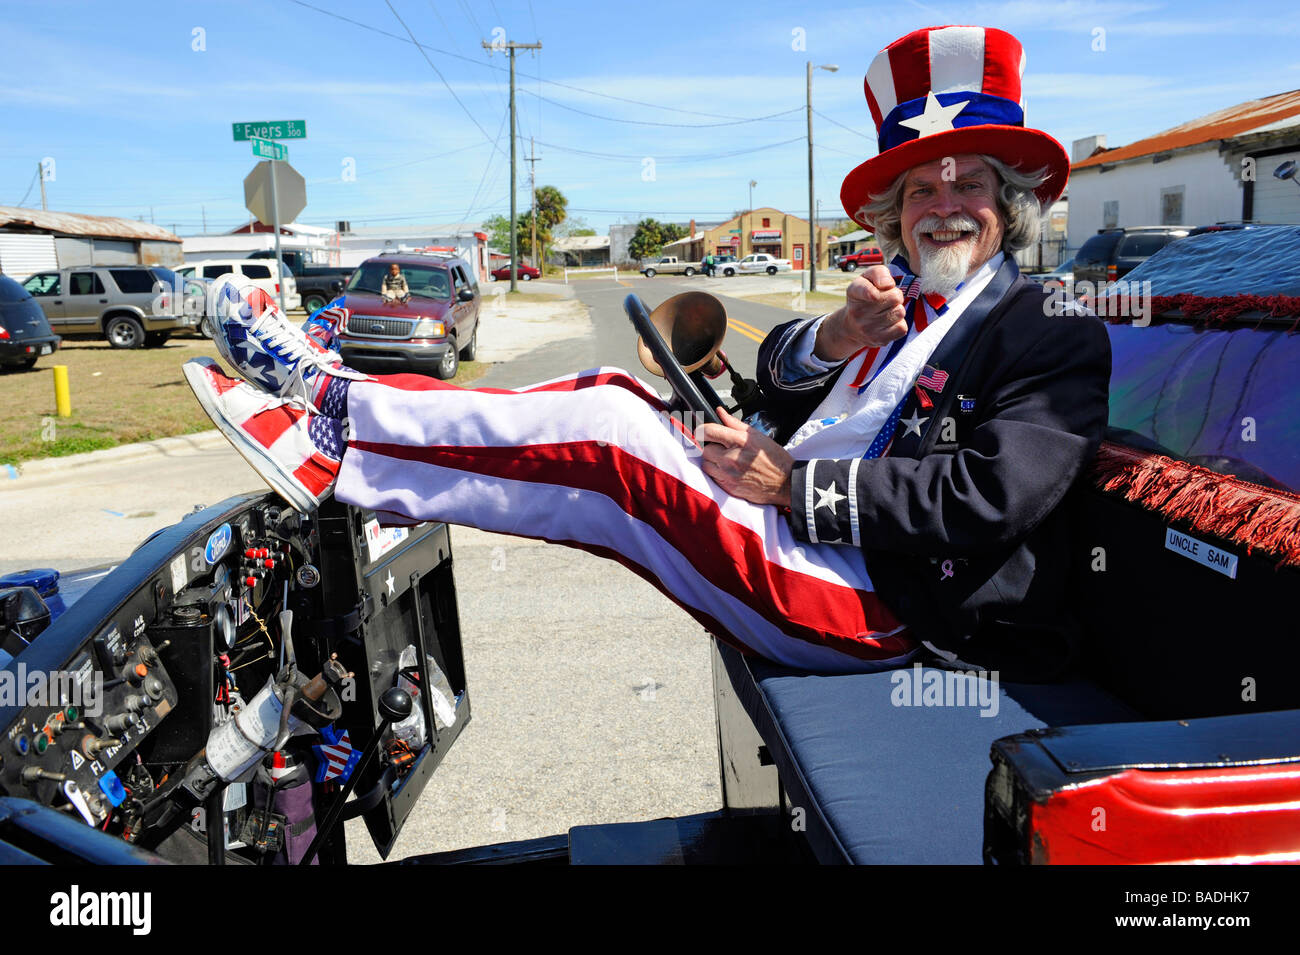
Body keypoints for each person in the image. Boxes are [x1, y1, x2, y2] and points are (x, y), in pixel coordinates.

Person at [185, 25, 1106, 680]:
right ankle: (342, 415)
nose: (942, 206)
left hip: (884, 606)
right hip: (803, 546)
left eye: (970, 183)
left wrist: (790, 485)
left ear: (1012, 203)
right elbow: (781, 372)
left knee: (610, 434)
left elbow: (988, 497)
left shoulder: (1050, 328)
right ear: (891, 215)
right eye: (917, 190)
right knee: (618, 387)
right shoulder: (893, 299)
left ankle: (332, 430)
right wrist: (836, 334)